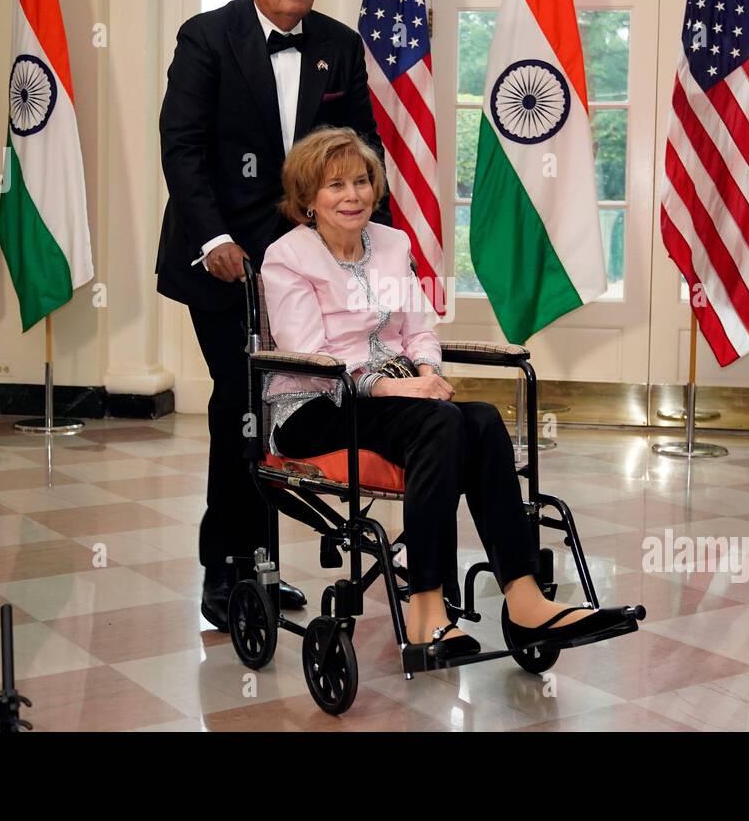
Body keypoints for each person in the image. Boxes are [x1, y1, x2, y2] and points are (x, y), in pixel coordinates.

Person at [262, 127, 634, 657]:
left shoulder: (392, 244)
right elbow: (313, 356)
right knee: (441, 422)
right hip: (315, 407)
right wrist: (396, 386)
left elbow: (419, 330)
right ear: (308, 200)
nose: (353, 195)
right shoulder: (288, 257)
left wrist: (428, 375)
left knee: (478, 419)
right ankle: (426, 609)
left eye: (362, 181)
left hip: (393, 396)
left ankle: (525, 599)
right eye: (335, 185)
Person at [157, 0, 390, 633]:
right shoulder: (207, 38)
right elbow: (182, 146)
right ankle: (226, 570)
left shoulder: (339, 47)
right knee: (241, 407)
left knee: (297, 408)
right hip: (222, 263)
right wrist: (216, 238)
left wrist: (368, 245)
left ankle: (267, 567)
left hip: (307, 264)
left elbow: (361, 149)